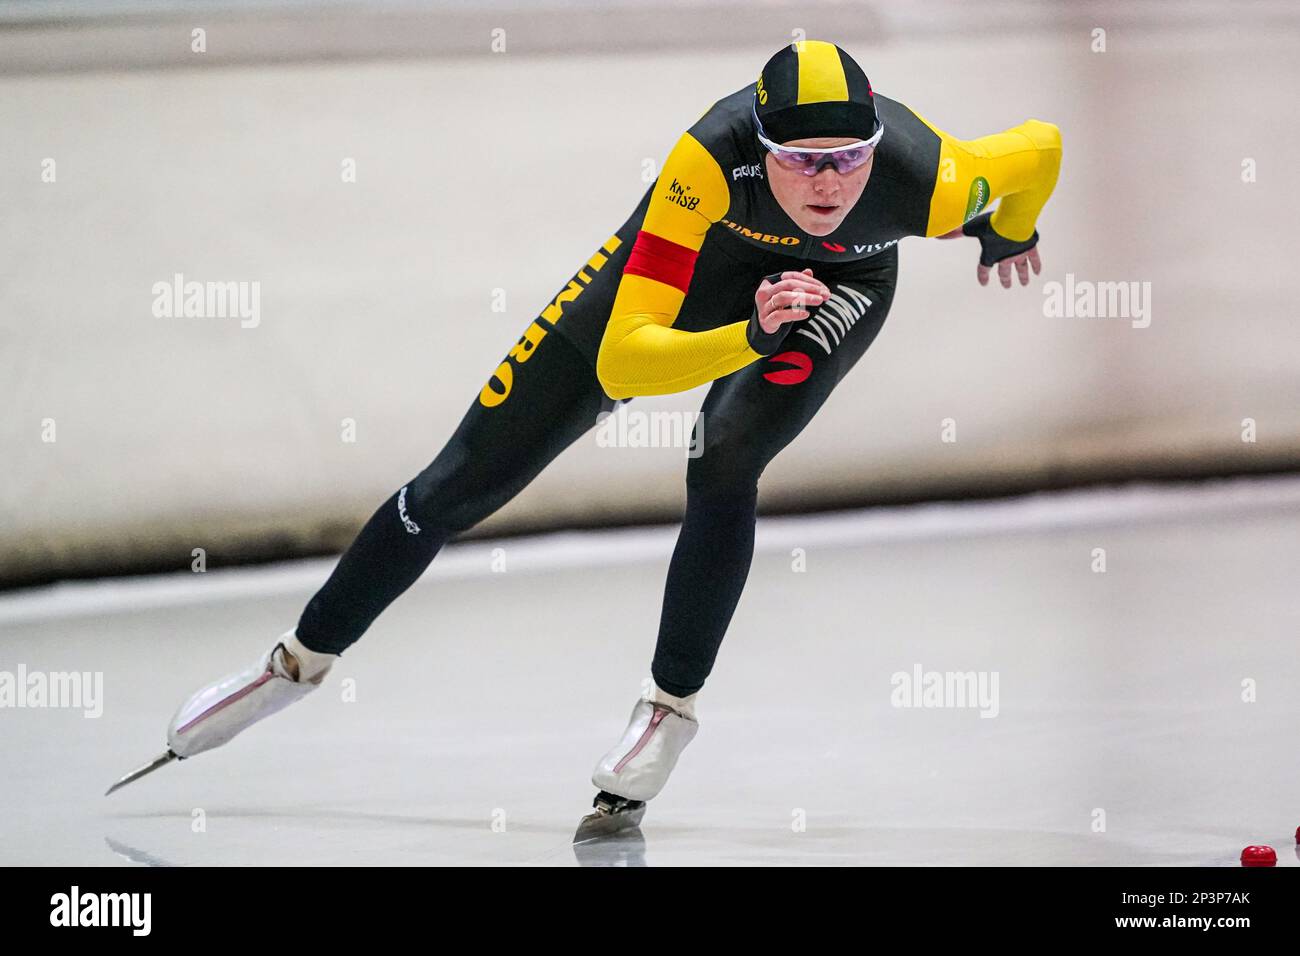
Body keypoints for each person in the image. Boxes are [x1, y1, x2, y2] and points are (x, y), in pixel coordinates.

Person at [118, 41, 1061, 829]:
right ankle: (297, 663)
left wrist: (1005, 232)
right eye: (800, 158)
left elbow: (1041, 150)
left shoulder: (930, 178)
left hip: (837, 287)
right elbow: (625, 362)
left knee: (727, 457)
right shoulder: (706, 161)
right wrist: (748, 331)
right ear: (759, 143)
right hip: (685, 281)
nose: (827, 183)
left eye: (848, 158)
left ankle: (669, 711)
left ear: (876, 146)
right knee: (455, 485)